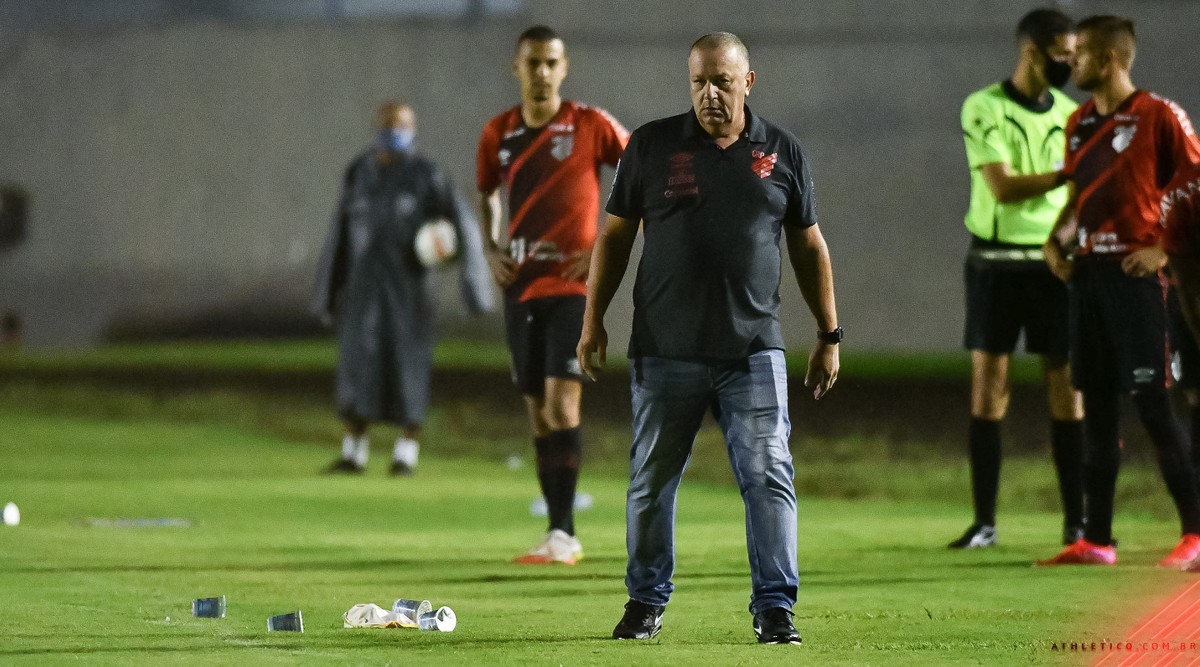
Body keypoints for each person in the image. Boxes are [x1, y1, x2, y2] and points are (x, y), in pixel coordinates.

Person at [579, 32, 839, 645]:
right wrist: (594, 319)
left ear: (749, 82)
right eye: (699, 81)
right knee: (650, 480)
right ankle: (645, 603)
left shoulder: (782, 151)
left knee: (769, 476)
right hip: (664, 349)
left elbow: (809, 245)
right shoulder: (651, 145)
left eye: (722, 81)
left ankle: (775, 610)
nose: (710, 94)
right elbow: (614, 238)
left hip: (753, 350)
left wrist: (829, 332)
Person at [1039, 16, 1200, 567]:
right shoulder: (1080, 123)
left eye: (1079, 53)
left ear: (1110, 60)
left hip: (1139, 282)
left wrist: (1165, 248)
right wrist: (1056, 239)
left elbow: (1195, 180)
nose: (1071, 61)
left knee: (1154, 404)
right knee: (1098, 409)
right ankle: (1099, 539)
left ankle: (1196, 534)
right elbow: (1079, 198)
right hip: (1089, 281)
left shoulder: (1159, 115)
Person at [476, 25, 628, 564]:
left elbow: (639, 172)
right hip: (521, 289)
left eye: (551, 63)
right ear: (515, 68)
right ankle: (555, 532)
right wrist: (492, 248)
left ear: (564, 68)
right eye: (532, 63)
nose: (541, 73)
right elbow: (488, 194)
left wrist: (606, 244)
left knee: (563, 402)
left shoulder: (588, 125)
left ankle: (565, 533)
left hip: (572, 289)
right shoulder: (498, 133)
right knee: (539, 410)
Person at [949, 8, 1085, 550]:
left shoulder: (1073, 114)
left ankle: (1077, 525)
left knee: (1067, 392)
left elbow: (1078, 196)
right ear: (1031, 51)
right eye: (1063, 55)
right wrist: (1070, 172)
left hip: (1056, 264)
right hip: (996, 262)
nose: (1071, 64)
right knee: (989, 392)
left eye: (1075, 55)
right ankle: (985, 522)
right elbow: (1002, 188)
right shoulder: (984, 106)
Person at [314, 101, 493, 475]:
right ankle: (353, 451)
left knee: (408, 366)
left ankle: (405, 453)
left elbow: (460, 226)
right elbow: (339, 235)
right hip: (363, 290)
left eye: (403, 124)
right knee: (357, 365)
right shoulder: (360, 172)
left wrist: (470, 282)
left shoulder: (427, 175)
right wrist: (327, 292)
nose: (396, 131)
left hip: (409, 290)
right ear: (376, 126)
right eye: (390, 124)